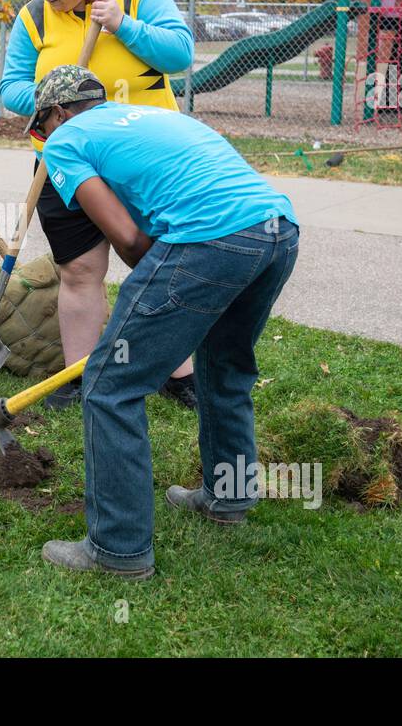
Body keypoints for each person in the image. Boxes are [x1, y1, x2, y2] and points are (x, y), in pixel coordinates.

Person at [27, 66, 300, 580]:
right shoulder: (150, 116)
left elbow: (127, 238)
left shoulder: (65, 141)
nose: (44, 138)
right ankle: (229, 496)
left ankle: (118, 549)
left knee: (110, 385)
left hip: (211, 238)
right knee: (225, 366)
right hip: (278, 229)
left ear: (58, 115)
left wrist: (164, 293)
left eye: (42, 126)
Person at [0, 0, 197, 411]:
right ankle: (79, 373)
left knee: (158, 263)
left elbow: (181, 56)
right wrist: (55, 96)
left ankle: (181, 374)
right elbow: (10, 89)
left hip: (145, 157)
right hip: (65, 161)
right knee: (79, 268)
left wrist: (125, 25)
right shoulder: (34, 18)